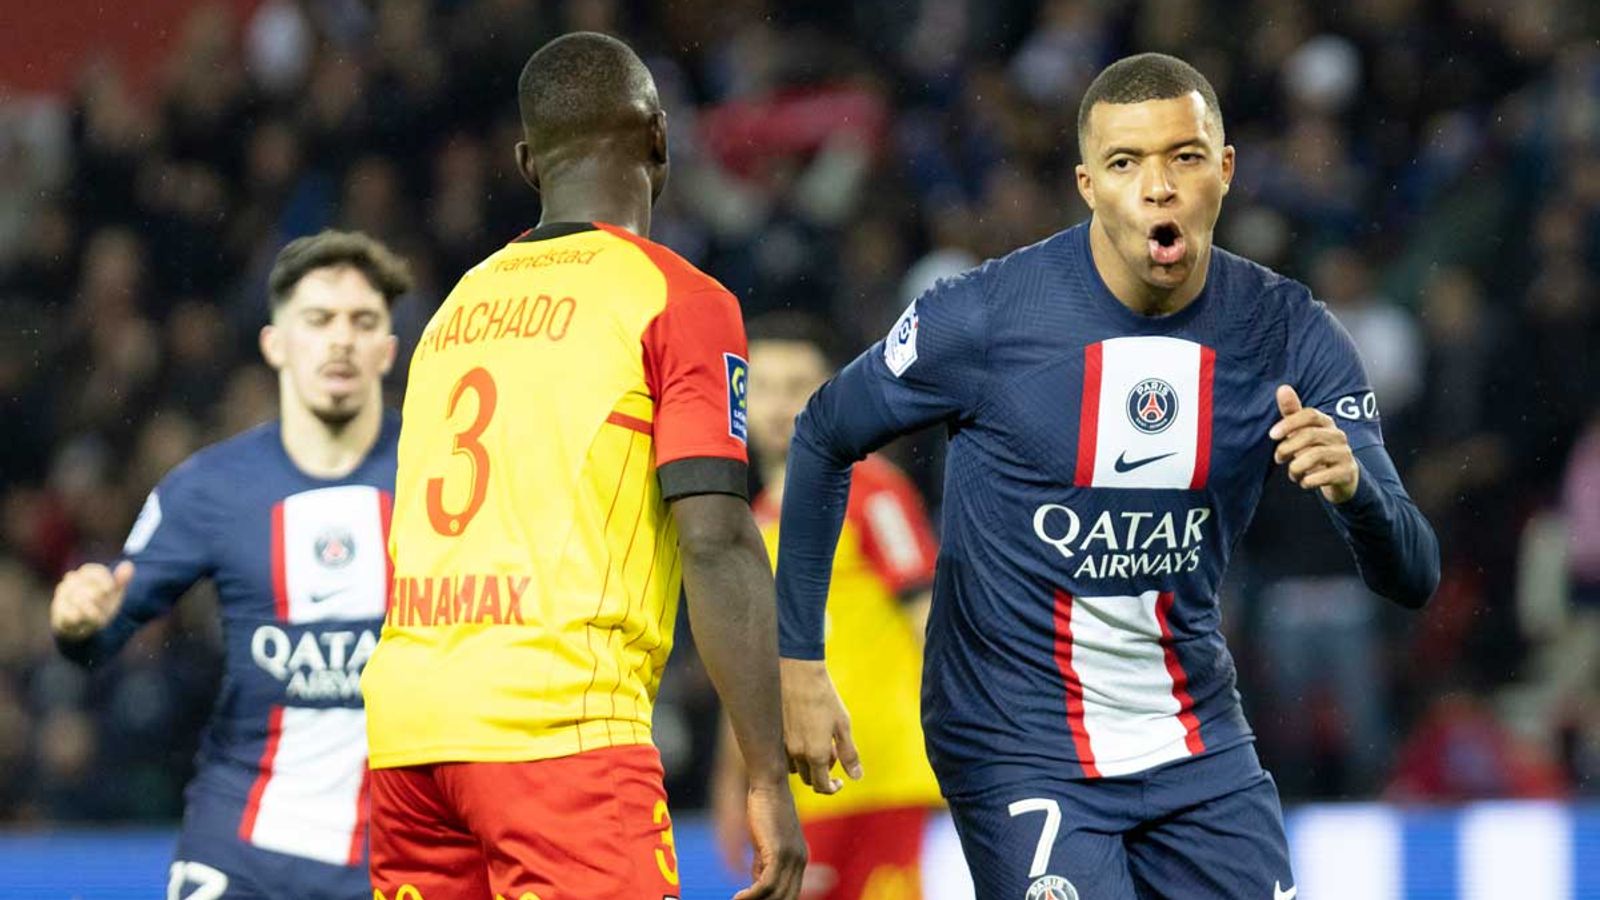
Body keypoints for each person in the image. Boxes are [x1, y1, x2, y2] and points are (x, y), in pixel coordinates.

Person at [775, 53, 1441, 900]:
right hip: (1014, 737)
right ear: (1088, 184)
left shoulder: (1289, 333)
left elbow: (1413, 572)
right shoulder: (985, 317)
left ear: (1225, 170)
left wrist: (1356, 493)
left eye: (1184, 157)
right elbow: (824, 433)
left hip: (1193, 738)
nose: (1158, 188)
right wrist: (799, 664)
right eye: (1127, 163)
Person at [359, 32, 805, 900]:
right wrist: (765, 775)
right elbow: (715, 539)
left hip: (409, 736)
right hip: (558, 731)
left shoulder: (453, 310)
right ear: (660, 140)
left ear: (528, 164)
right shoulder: (678, 298)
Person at [50, 230, 412, 900]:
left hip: (395, 860)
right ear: (275, 343)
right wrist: (79, 619)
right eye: (319, 320)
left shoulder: (440, 475)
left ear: (387, 348)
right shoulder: (209, 489)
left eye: (362, 322)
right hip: (241, 853)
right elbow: (100, 635)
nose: (341, 340)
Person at [711, 313, 973, 900]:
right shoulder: (753, 521)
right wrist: (732, 783)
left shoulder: (872, 491)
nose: (778, 406)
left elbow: (930, 622)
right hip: (802, 786)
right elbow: (751, 666)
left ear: (829, 392)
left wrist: (975, 743)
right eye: (762, 388)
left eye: (796, 386)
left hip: (880, 775)